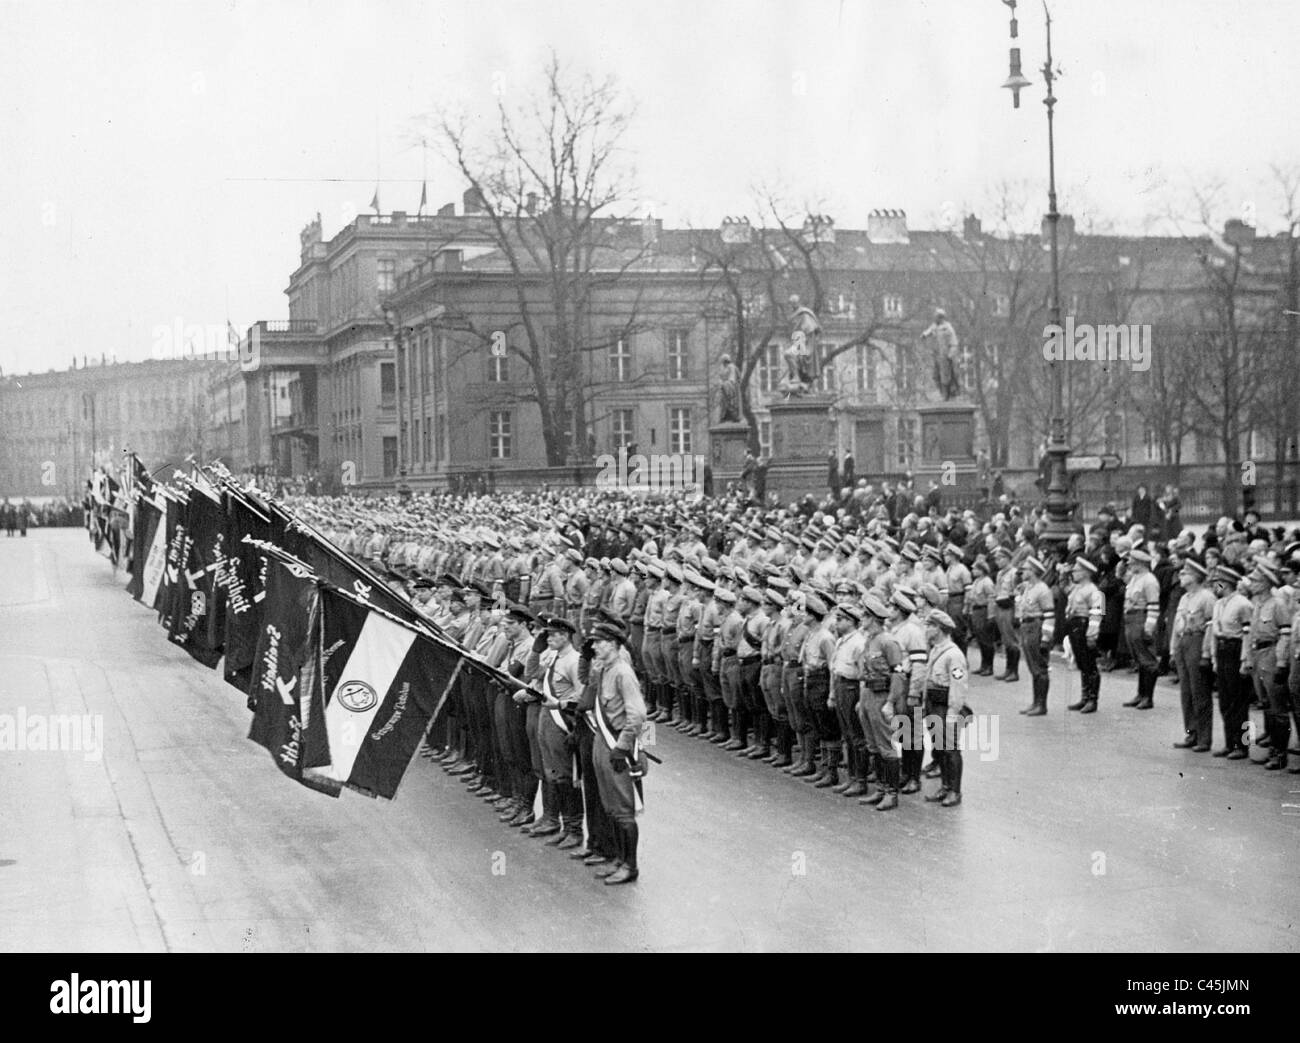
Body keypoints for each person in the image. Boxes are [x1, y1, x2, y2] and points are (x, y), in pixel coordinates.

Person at [588, 621, 649, 885]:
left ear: (613, 644)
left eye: (598, 642)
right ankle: (618, 859)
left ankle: (630, 865)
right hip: (602, 741)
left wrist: (623, 746)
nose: (593, 646)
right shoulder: (604, 669)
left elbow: (638, 715)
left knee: (623, 808)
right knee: (610, 804)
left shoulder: (623, 672)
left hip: (617, 745)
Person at [921, 610, 967, 807]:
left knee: (950, 749)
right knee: (939, 747)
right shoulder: (936, 649)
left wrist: (953, 713)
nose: (927, 629)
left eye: (930, 626)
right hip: (933, 704)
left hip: (945, 707)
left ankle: (955, 791)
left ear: (939, 629)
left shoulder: (954, 654)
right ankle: (945, 786)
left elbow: (959, 685)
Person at [1170, 559, 1216, 752]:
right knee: (1186, 692)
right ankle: (1191, 733)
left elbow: (1211, 626)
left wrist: (1207, 652)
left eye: (1185, 572)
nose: (1181, 575)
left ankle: (1204, 738)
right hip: (1183, 642)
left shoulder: (1206, 597)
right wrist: (1173, 649)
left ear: (1196, 576)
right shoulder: (1185, 597)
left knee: (1200, 691)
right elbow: (1176, 625)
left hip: (1197, 641)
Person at [1209, 565, 1252, 758]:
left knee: (1239, 701)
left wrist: (1245, 659)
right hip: (1222, 649)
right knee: (1225, 700)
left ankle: (1243, 745)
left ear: (1224, 584)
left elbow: (1248, 634)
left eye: (1216, 583)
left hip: (1236, 649)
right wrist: (1213, 657)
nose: (1214, 587)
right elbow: (1215, 631)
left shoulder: (1243, 604)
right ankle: (1230, 742)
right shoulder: (1219, 604)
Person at [1121, 548, 1161, 710]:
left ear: (1140, 563)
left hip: (1141, 619)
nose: (1129, 563)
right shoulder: (1135, 578)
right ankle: (1140, 694)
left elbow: (1153, 605)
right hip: (1131, 619)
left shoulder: (1149, 580)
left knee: (1147, 659)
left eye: (1131, 561)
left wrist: (1149, 628)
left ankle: (1148, 697)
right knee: (1139, 658)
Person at [1016, 556, 1055, 716]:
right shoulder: (1028, 587)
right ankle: (1035, 702)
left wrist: (1046, 637)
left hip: (1036, 627)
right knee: (1033, 667)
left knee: (1039, 667)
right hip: (1026, 626)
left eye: (1025, 569)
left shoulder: (1042, 589)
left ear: (1033, 571)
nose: (1022, 572)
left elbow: (1050, 615)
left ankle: (1042, 704)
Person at [1064, 558, 1104, 713]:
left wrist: (1092, 634)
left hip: (1084, 626)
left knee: (1090, 664)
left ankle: (1092, 699)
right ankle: (1085, 697)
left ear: (1085, 573)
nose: (1073, 573)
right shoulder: (1077, 588)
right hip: (1075, 625)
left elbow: (1097, 613)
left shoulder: (1094, 591)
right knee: (1082, 663)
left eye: (1076, 570)